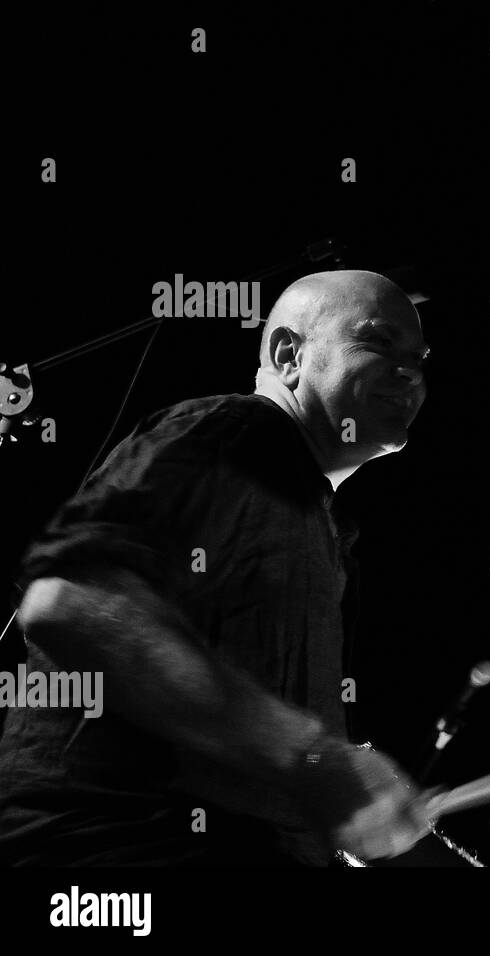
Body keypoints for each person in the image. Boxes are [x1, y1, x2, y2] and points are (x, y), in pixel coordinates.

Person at [0, 269, 432, 865]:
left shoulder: (326, 527)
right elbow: (67, 604)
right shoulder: (238, 432)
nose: (410, 372)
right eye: (378, 342)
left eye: (418, 358)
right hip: (115, 852)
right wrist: (314, 759)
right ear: (288, 355)